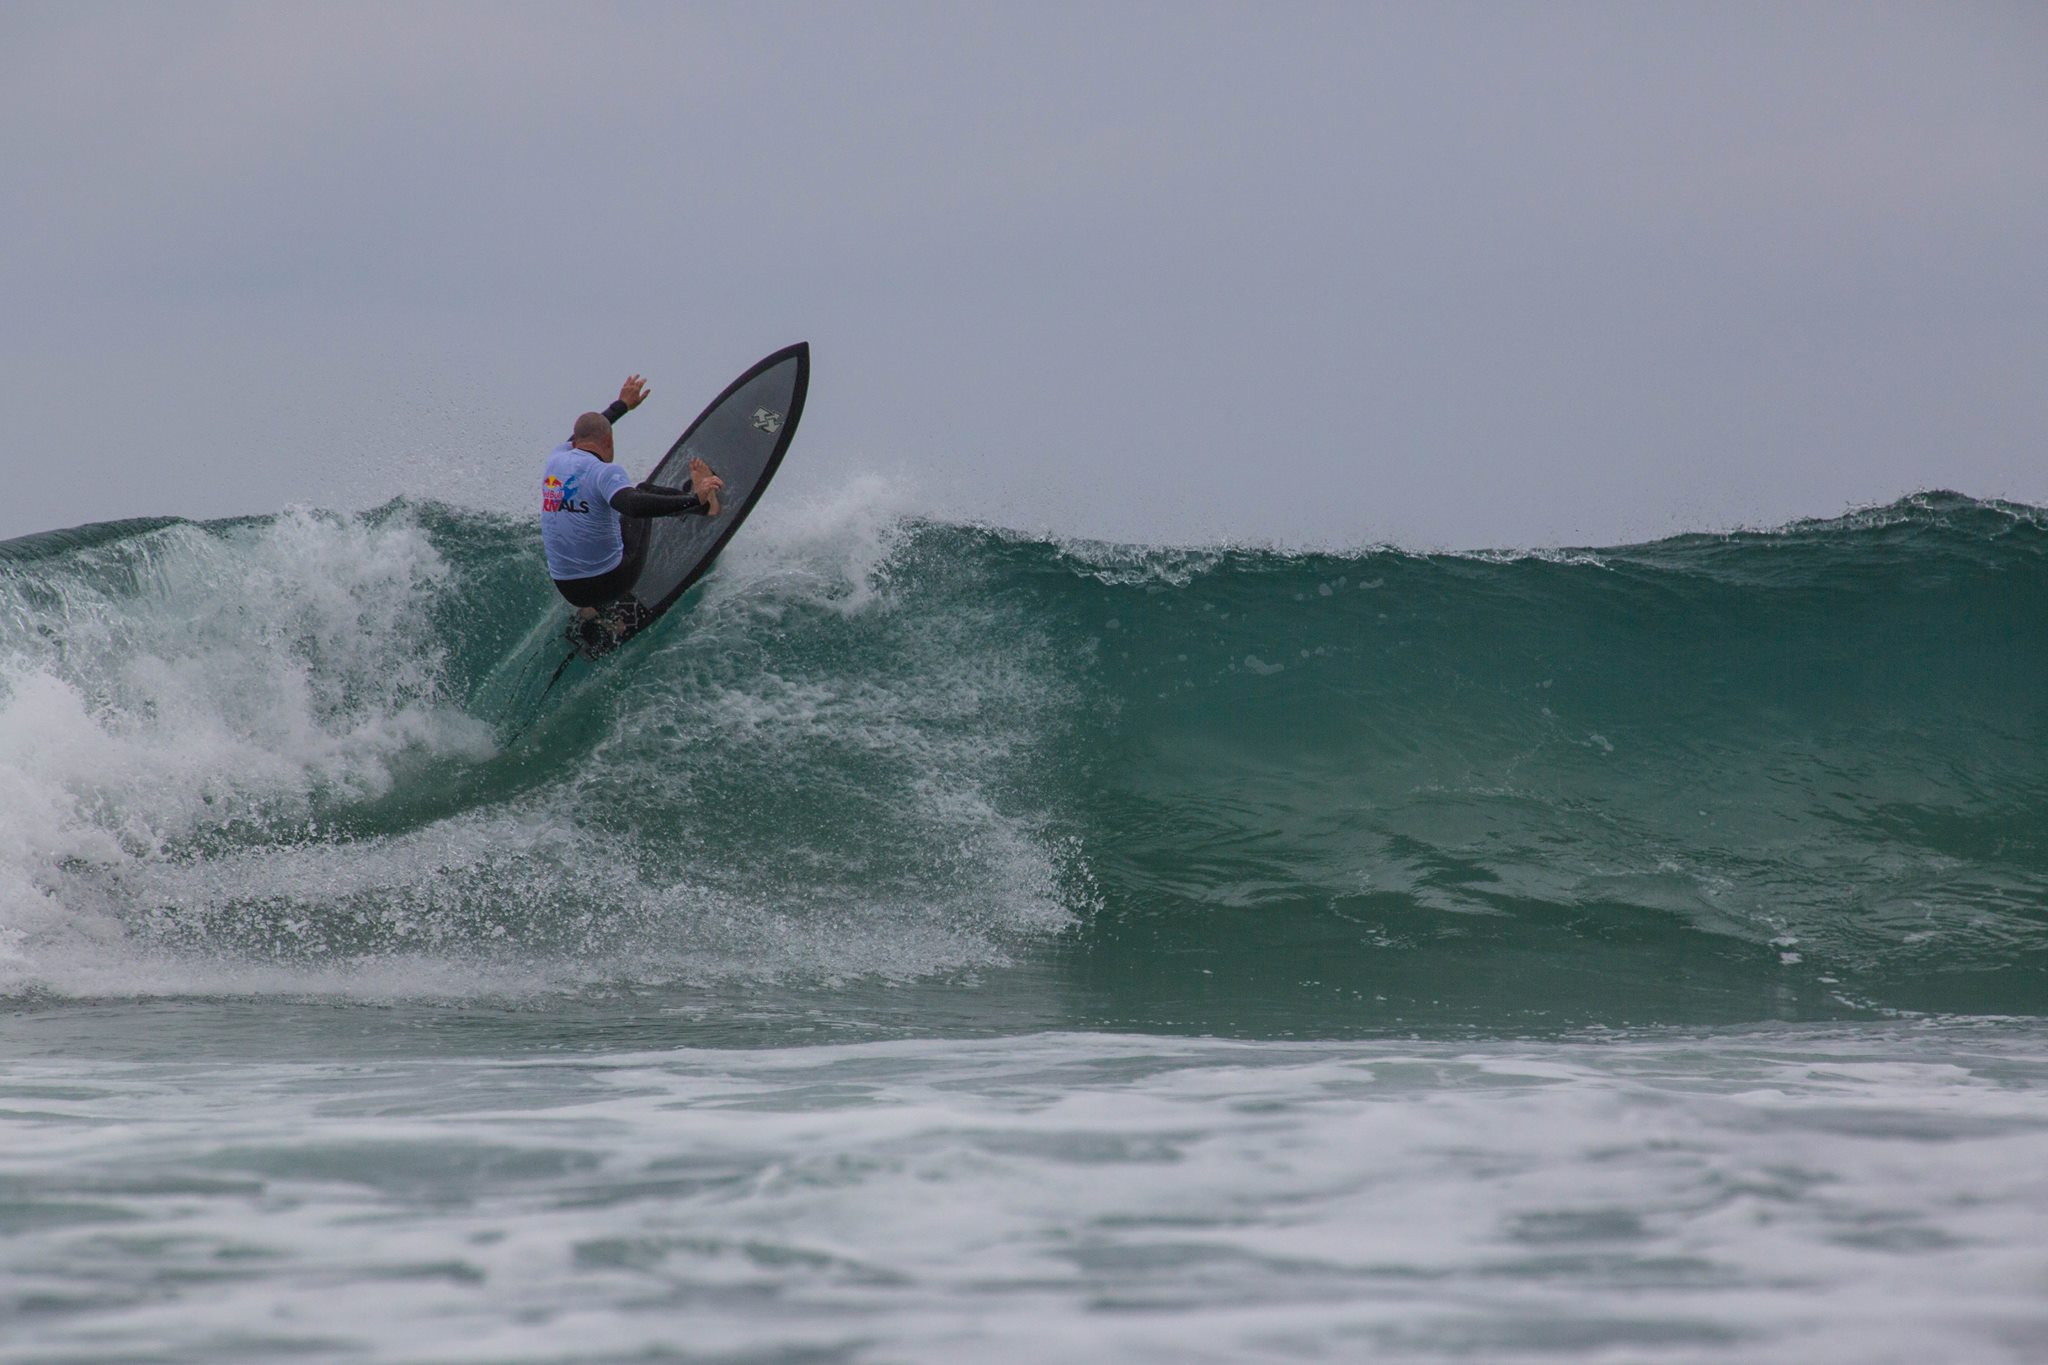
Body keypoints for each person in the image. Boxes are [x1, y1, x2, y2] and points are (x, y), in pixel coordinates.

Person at [539, 375, 725, 649]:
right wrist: (691, 498)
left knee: (599, 515)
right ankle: (706, 505)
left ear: (575, 442)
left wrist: (622, 405)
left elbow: (590, 429)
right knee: (642, 490)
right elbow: (633, 505)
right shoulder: (604, 472)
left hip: (569, 588)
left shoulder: (556, 459)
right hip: (613, 580)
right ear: (609, 442)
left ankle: (591, 613)